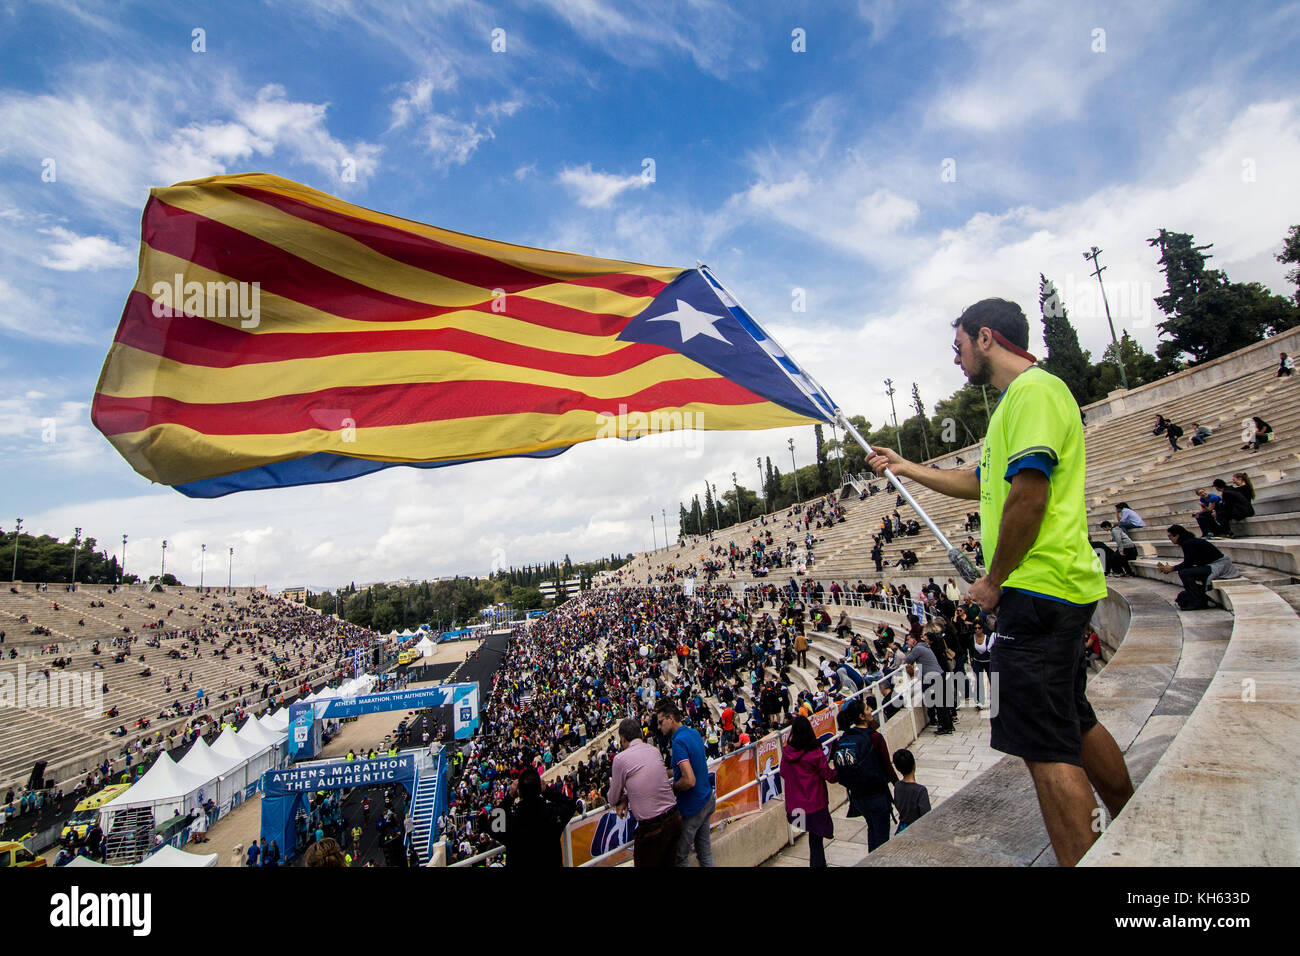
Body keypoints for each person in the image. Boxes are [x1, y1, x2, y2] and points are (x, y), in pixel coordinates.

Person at [866, 297, 1133, 868]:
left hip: (1039, 589)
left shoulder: (1035, 392)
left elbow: (1029, 495)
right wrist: (906, 466)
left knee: (1043, 747)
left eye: (958, 345)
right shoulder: (1013, 404)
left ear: (986, 337)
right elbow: (979, 483)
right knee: (1071, 718)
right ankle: (1131, 816)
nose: (956, 358)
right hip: (1056, 589)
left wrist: (994, 580)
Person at [606, 717, 680, 867]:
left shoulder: (620, 759)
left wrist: (618, 792)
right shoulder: (654, 751)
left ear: (623, 739)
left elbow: (613, 798)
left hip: (652, 830)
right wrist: (628, 797)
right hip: (674, 820)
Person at [655, 700, 715, 867]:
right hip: (707, 799)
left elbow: (689, 780)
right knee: (705, 852)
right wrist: (663, 773)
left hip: (693, 807)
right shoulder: (694, 733)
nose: (659, 728)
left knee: (680, 857)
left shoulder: (678, 743)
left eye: (661, 722)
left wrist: (671, 786)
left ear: (671, 718)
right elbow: (690, 765)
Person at [831, 697, 896, 851]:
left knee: (872, 830)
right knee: (882, 839)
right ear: (861, 716)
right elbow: (888, 768)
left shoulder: (845, 738)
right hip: (877, 795)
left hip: (858, 798)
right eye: (867, 709)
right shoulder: (875, 738)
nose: (870, 710)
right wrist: (899, 787)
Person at [779, 715, 837, 866]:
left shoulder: (787, 753)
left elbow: (783, 773)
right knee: (816, 840)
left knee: (814, 839)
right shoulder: (815, 753)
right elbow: (829, 775)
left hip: (797, 808)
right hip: (816, 804)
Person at [498, 766, 578, 868]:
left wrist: (509, 796)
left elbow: (494, 821)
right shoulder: (552, 813)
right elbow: (570, 804)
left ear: (519, 792)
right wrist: (547, 791)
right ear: (540, 789)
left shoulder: (512, 820)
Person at [1156, 524, 1241, 609]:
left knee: (1185, 573)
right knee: (1184, 572)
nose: (1169, 538)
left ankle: (1197, 602)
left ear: (1177, 535)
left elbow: (1188, 563)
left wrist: (1172, 568)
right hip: (1212, 565)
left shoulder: (1188, 543)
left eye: (1170, 536)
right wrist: (1171, 568)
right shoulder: (1189, 542)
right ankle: (1198, 598)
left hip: (1219, 566)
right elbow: (1189, 563)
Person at [890, 749, 931, 834]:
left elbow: (897, 804)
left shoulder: (897, 786)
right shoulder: (920, 791)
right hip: (917, 830)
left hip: (902, 828)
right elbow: (926, 815)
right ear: (914, 765)